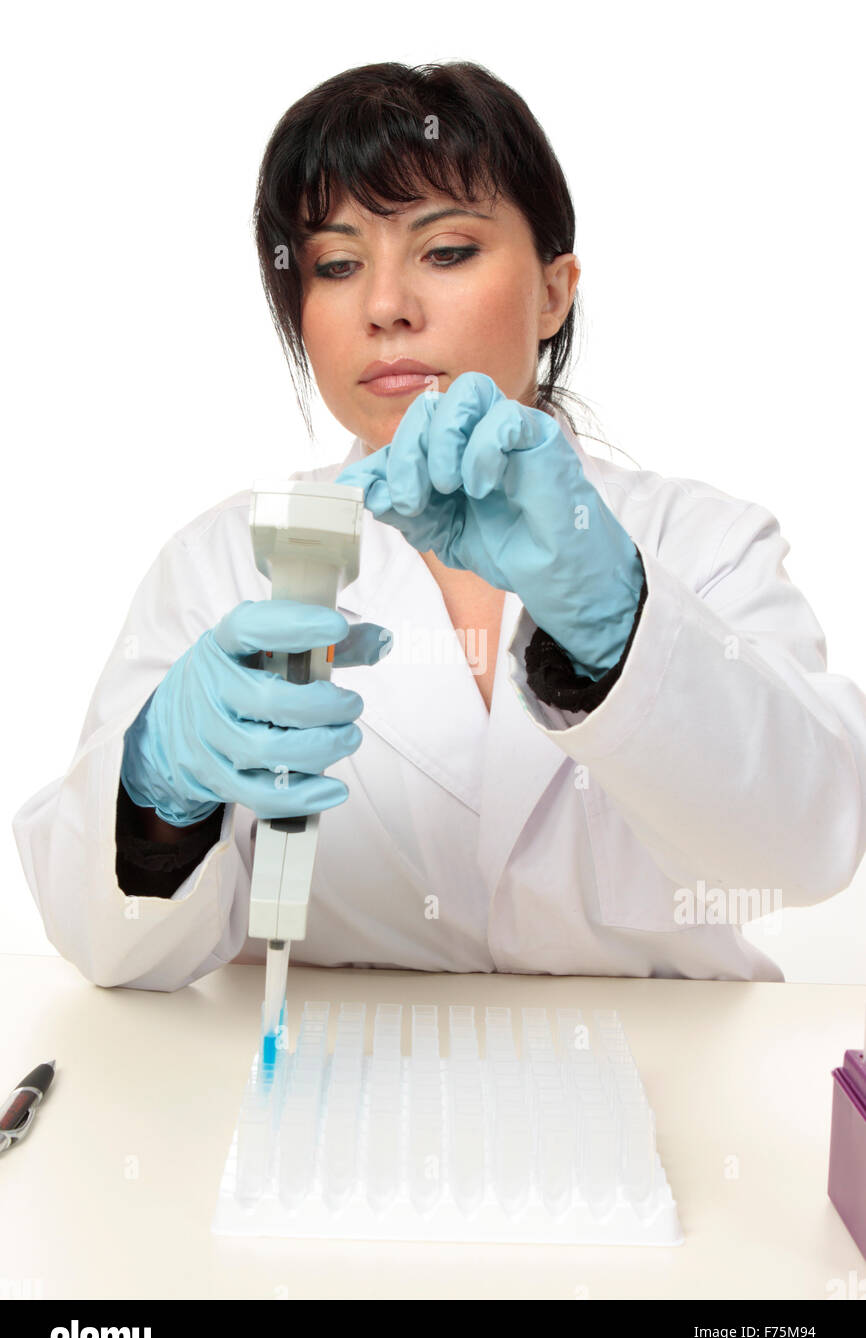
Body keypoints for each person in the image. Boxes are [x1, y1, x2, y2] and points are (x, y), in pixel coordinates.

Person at [13, 61, 866, 990]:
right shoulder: (224, 563)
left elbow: (807, 847)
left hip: (669, 1094)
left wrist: (620, 625)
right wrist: (157, 790)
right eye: (337, 265)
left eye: (447, 251)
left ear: (553, 291)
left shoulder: (704, 544)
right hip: (320, 1089)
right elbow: (106, 946)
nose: (386, 308)